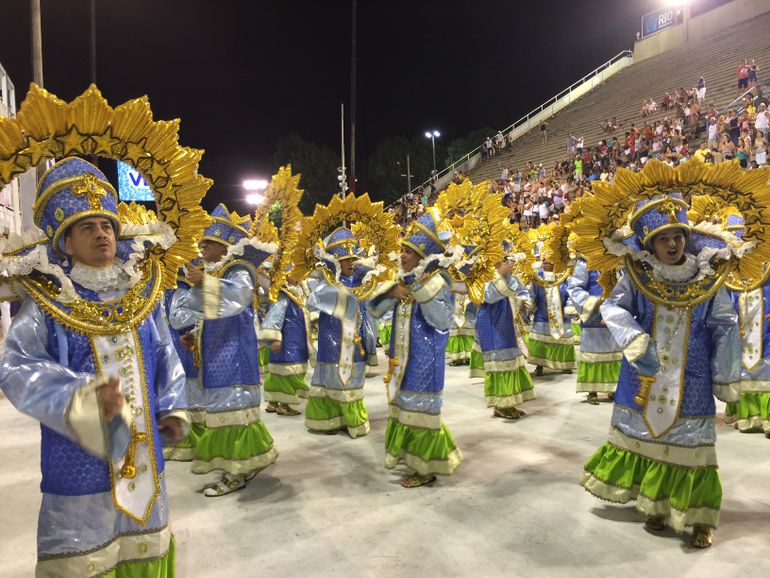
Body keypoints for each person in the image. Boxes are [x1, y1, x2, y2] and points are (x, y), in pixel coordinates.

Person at [0, 157, 187, 574]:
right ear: (66, 242)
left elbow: (165, 355)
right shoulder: (49, 302)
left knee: (144, 541)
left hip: (143, 446)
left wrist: (172, 408)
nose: (101, 235)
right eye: (87, 227)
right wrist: (81, 395)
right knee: (85, 551)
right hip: (79, 453)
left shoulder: (142, 292)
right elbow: (15, 367)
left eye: (106, 225)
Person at [580, 192, 742, 549]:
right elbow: (614, 309)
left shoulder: (707, 276)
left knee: (694, 448)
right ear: (650, 243)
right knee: (651, 442)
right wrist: (635, 340)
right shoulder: (637, 276)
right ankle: (655, 503)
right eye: (664, 238)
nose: (673, 244)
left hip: (693, 376)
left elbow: (725, 325)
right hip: (645, 374)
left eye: (678, 236)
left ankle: (699, 517)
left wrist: (725, 376)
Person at [172, 203, 278, 496]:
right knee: (224, 414)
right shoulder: (219, 273)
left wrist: (204, 282)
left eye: (209, 242)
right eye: (202, 242)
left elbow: (238, 299)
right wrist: (195, 335)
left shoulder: (239, 271)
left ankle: (236, 474)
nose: (202, 246)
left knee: (233, 414)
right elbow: (208, 314)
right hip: (217, 356)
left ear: (226, 246)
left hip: (234, 358)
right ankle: (244, 464)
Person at [368, 212, 463, 487]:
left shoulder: (438, 281)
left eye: (408, 251)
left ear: (422, 256)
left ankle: (426, 467)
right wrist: (390, 292)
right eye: (401, 250)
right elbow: (374, 310)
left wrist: (420, 293)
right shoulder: (405, 280)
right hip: (402, 362)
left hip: (425, 360)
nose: (402, 256)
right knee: (405, 408)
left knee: (422, 412)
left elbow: (444, 321)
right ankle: (413, 458)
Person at [304, 227, 372, 438]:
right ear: (335, 261)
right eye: (345, 260)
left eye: (353, 259)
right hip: (330, 337)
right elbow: (313, 303)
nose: (351, 263)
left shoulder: (363, 279)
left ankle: (352, 422)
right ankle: (329, 420)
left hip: (355, 340)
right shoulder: (327, 282)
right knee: (330, 377)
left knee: (351, 379)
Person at [475, 248, 535, 419]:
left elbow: (522, 291)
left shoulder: (510, 277)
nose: (509, 263)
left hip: (510, 323)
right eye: (504, 259)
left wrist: (523, 301)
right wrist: (502, 274)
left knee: (513, 362)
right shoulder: (484, 276)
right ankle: (501, 405)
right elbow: (489, 296)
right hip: (493, 324)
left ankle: (510, 403)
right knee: (501, 363)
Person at [566, 257, 622, 404]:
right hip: (593, 316)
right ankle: (592, 390)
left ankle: (612, 387)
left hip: (614, 315)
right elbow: (574, 288)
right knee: (593, 354)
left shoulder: (618, 260)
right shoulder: (585, 262)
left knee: (614, 354)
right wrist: (594, 302)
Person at [260, 271, 311, 416]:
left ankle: (273, 402)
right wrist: (275, 339)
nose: (299, 277)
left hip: (296, 338)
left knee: (278, 374)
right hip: (288, 342)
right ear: (286, 276)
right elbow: (274, 316)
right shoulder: (284, 295)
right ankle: (284, 404)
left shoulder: (298, 293)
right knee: (288, 372)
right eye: (295, 273)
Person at [528, 258, 576, 377]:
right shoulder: (536, 277)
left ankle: (564, 364)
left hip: (562, 314)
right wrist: (529, 307)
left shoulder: (564, 276)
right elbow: (532, 294)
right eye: (545, 262)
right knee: (541, 341)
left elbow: (571, 293)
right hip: (542, 314)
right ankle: (540, 364)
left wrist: (569, 307)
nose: (547, 264)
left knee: (562, 340)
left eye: (551, 261)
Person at [446, 283, 476, 366]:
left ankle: (468, 356)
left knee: (468, 326)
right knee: (455, 328)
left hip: (466, 294)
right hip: (454, 296)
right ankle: (457, 357)